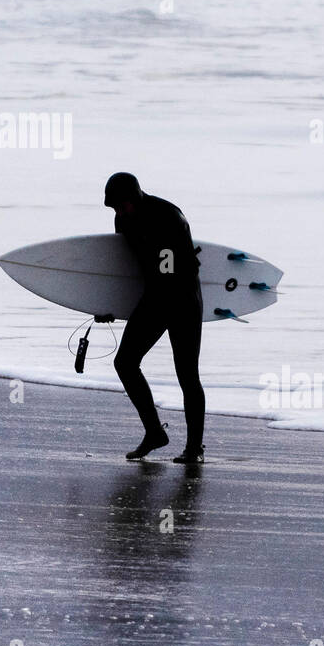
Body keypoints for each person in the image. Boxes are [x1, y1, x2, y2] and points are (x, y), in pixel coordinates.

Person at [104, 172, 206, 463]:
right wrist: (109, 306)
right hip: (156, 296)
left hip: (183, 297)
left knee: (187, 374)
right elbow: (126, 271)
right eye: (115, 209)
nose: (119, 213)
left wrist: (145, 308)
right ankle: (154, 433)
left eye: (122, 206)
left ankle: (194, 448)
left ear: (135, 198)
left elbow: (170, 272)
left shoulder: (169, 217)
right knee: (124, 362)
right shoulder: (122, 220)